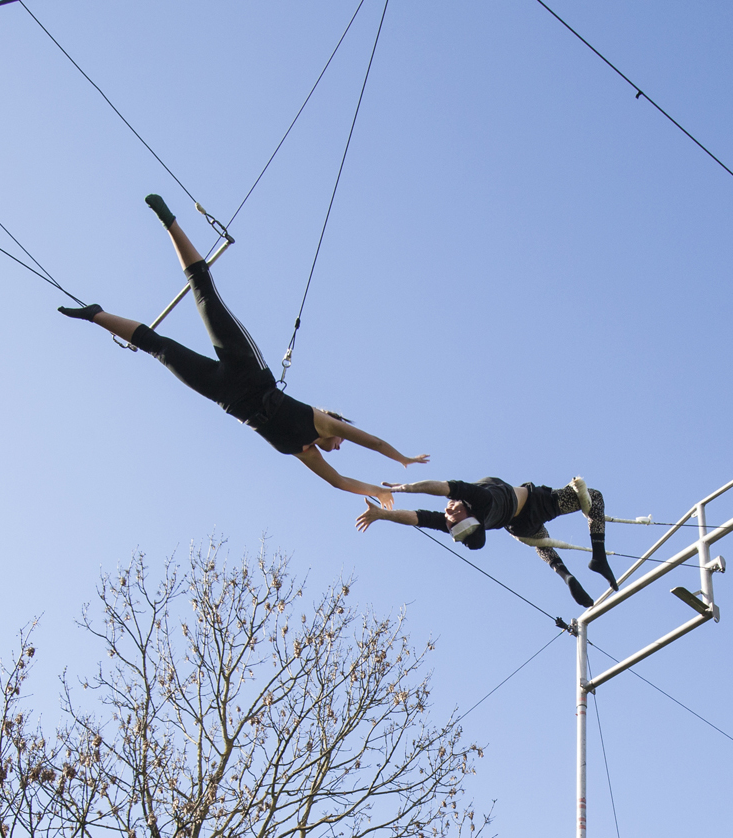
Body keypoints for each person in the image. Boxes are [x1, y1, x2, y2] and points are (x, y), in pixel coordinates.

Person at [58, 195, 426, 504]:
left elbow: (337, 482)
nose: (341, 445)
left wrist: (377, 491)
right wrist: (403, 459)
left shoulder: (306, 452)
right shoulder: (322, 421)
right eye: (343, 438)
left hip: (226, 396)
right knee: (205, 296)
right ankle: (169, 221)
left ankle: (95, 315)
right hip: (248, 371)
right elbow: (373, 442)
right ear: (338, 425)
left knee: (161, 349)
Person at [356, 476, 620, 608]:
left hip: (518, 526)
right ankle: (599, 558)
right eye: (452, 514)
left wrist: (383, 514)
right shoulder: (478, 500)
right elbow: (441, 487)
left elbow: (417, 518)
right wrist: (402, 488)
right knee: (593, 497)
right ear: (468, 515)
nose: (447, 511)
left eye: (448, 516)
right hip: (536, 504)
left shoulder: (460, 520)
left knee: (539, 541)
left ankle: (565, 575)